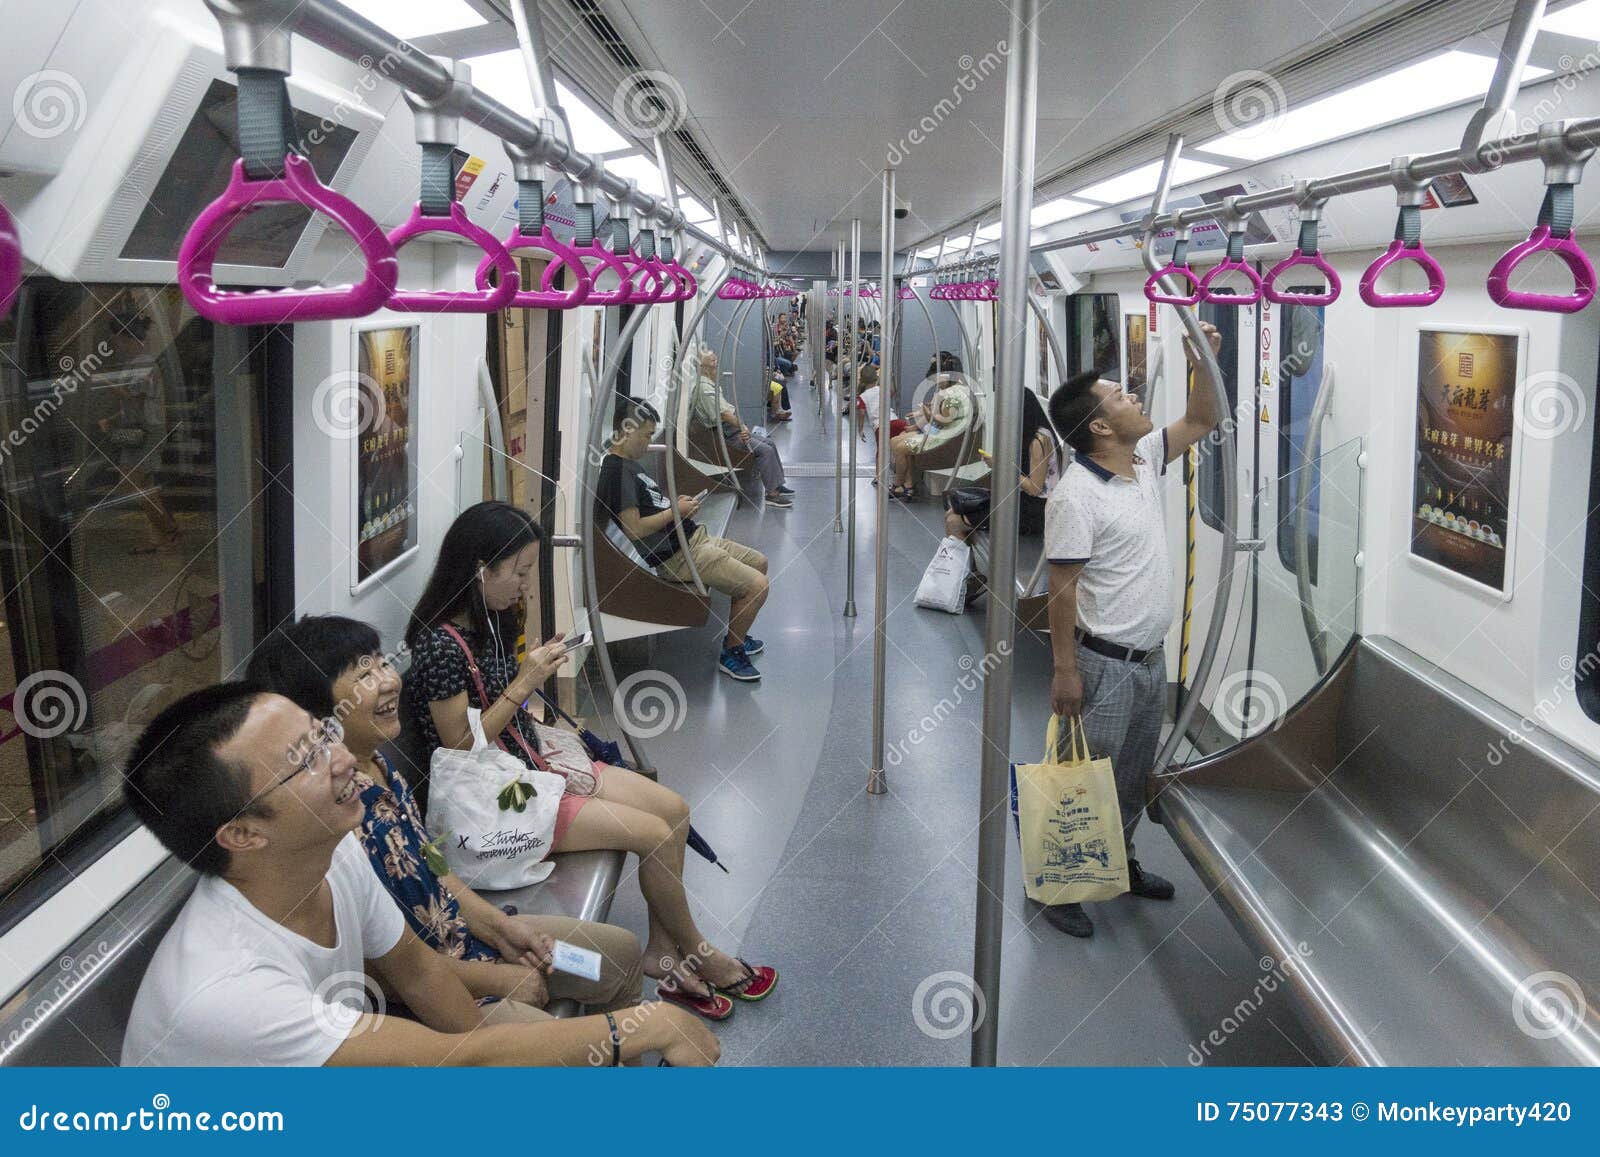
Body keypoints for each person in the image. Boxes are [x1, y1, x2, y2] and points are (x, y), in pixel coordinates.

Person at [120, 684, 721, 1065]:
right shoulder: (229, 997)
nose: (339, 758)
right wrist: (638, 1030)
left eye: (322, 733)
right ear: (244, 834)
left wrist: (493, 1026)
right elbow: (447, 1061)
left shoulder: (334, 849)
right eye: (305, 760)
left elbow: (417, 968)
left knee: (608, 963)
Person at [405, 501, 777, 1016]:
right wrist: (525, 682)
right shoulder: (440, 649)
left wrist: (528, 684)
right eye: (519, 572)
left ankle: (663, 952)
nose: (525, 586)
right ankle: (697, 950)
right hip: (503, 799)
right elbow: (462, 747)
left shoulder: (490, 620)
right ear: (480, 570)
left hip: (531, 762)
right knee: (654, 834)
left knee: (674, 811)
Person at [246, 614, 646, 1016]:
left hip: (469, 940)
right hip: (432, 994)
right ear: (315, 713)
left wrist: (501, 928)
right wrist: (495, 979)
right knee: (559, 1045)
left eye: (382, 664)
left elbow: (434, 867)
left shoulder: (380, 765)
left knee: (618, 958)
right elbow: (377, 967)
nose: (388, 681)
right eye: (363, 676)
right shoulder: (328, 820)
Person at [1040, 322, 1223, 939]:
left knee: (1128, 777)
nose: (1135, 397)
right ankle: (1058, 885)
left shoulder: (1142, 461)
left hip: (1149, 659)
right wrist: (1065, 671)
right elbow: (1062, 589)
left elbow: (1201, 419)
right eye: (1120, 396)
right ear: (1099, 427)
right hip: (1102, 663)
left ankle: (1117, 862)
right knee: (1081, 777)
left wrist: (1202, 360)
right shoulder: (1075, 497)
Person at [600, 401, 773, 684]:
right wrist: (674, 512)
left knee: (759, 562)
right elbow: (634, 529)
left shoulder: (630, 466)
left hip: (692, 538)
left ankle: (736, 634)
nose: (649, 443)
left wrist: (675, 506)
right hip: (677, 557)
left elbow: (651, 508)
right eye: (646, 435)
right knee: (758, 587)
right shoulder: (616, 473)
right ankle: (731, 653)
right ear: (627, 430)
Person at [943, 389, 1061, 607]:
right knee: (952, 511)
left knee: (954, 521)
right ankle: (970, 575)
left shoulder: (1039, 440)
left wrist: (1002, 466)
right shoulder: (1029, 435)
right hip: (1024, 502)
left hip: (1036, 510)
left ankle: (966, 578)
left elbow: (1034, 487)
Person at [691, 347, 793, 508]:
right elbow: (724, 414)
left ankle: (777, 484)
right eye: (713, 362)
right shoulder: (704, 388)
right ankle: (772, 494)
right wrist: (742, 427)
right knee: (765, 450)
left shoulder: (710, 384)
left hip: (729, 430)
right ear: (703, 367)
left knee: (769, 443)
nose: (717, 364)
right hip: (724, 436)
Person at [888, 369, 973, 499]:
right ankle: (908, 485)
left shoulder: (953, 396)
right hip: (939, 432)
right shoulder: (953, 392)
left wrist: (927, 414)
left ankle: (898, 484)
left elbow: (943, 421)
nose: (937, 383)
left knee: (900, 448)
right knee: (894, 441)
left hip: (941, 437)